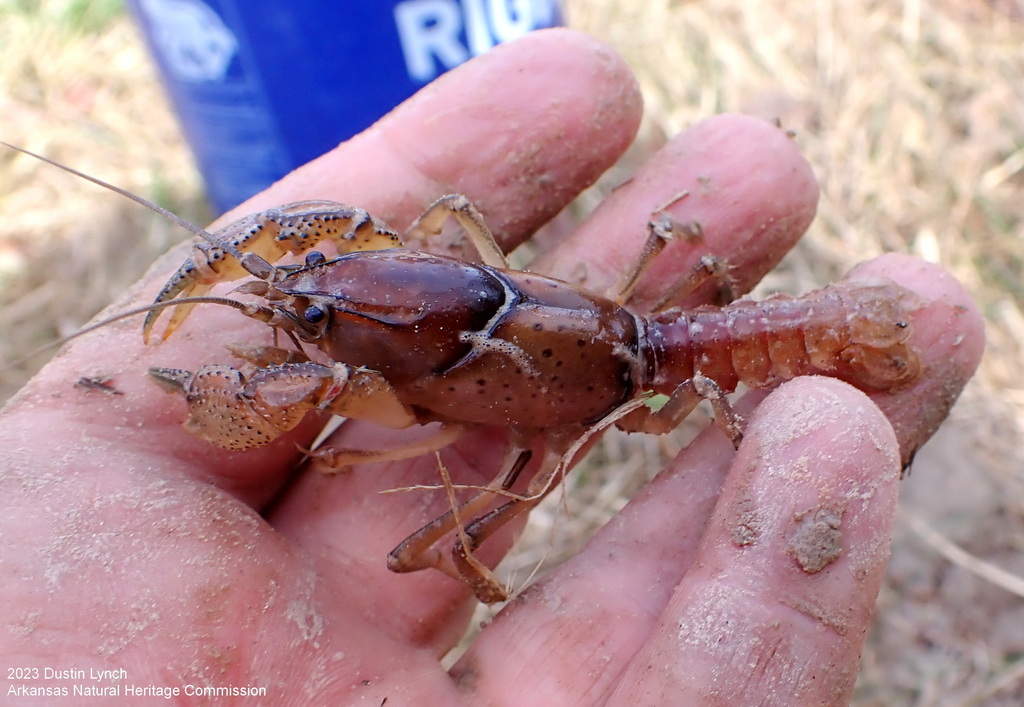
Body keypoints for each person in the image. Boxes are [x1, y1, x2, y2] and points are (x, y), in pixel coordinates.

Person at [0, 29, 982, 704]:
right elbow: (393, 242)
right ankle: (851, 324)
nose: (305, 292)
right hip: (644, 334)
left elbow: (378, 383)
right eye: (314, 297)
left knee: (425, 513)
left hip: (666, 360)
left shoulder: (368, 378)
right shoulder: (384, 279)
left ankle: (848, 332)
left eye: (316, 302)